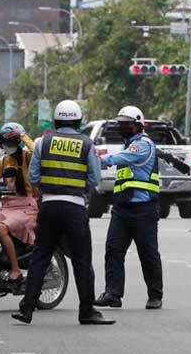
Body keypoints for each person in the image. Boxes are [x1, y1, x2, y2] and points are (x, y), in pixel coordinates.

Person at [12, 100, 114, 326]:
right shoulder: (86, 144)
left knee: (40, 257)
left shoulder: (42, 142)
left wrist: (50, 187)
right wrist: (77, 187)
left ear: (56, 121)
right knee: (82, 261)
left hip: (49, 206)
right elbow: (95, 178)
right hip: (74, 207)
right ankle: (86, 311)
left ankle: (27, 308)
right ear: (78, 122)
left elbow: (33, 176)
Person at [94, 106, 164, 310]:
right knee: (113, 251)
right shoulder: (129, 144)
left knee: (148, 253)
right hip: (122, 209)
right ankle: (113, 294)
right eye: (121, 124)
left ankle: (155, 295)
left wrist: (96, 158)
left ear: (138, 125)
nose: (122, 127)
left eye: (126, 124)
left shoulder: (142, 145)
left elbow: (120, 159)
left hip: (144, 209)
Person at [0, 123, 38, 284]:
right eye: (6, 142)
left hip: (27, 206)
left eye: (12, 141)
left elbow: (35, 151)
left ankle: (15, 269)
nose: (8, 145)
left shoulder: (28, 157)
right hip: (8, 206)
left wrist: (22, 135)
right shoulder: (4, 161)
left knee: (0, 228)